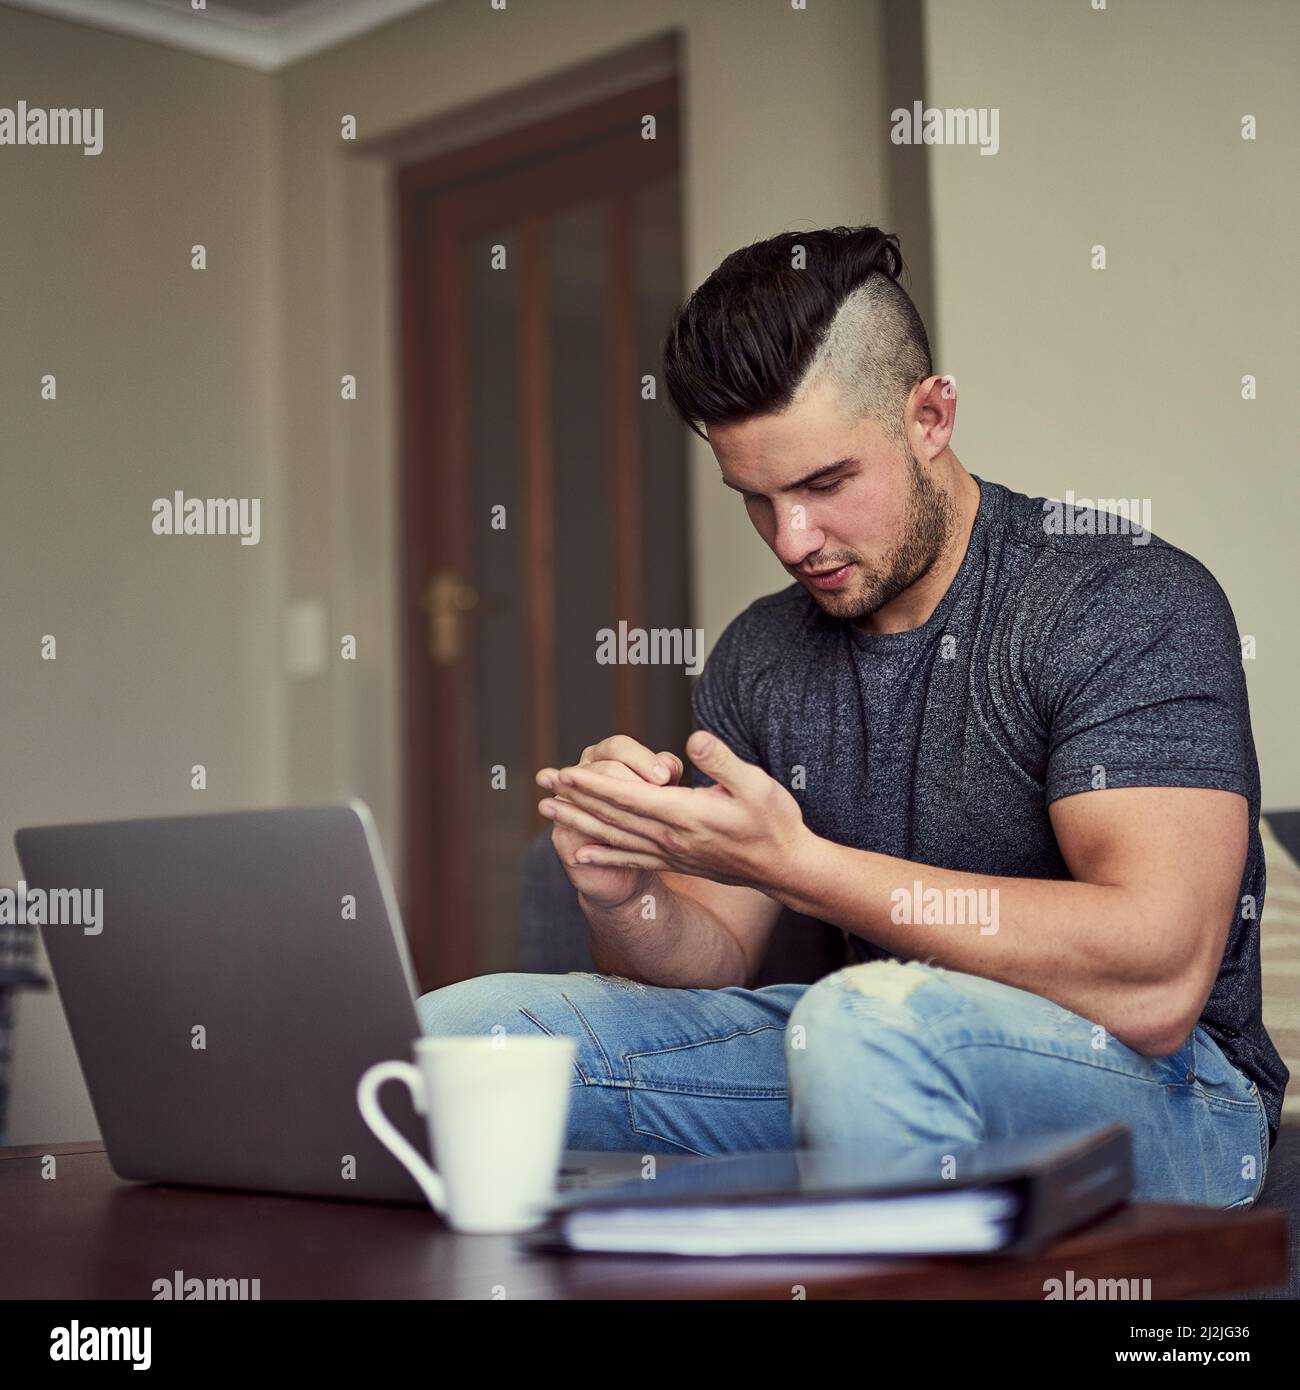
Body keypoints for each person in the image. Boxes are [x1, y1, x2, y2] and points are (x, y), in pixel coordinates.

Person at [418, 225, 1286, 1205]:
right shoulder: (761, 652)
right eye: (755, 498)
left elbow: (1158, 979)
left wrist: (803, 865)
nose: (792, 539)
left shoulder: (1119, 599)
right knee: (460, 1036)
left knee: (857, 1022)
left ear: (929, 416)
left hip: (1173, 1095)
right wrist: (624, 894)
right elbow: (709, 963)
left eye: (824, 484)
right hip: (866, 1050)